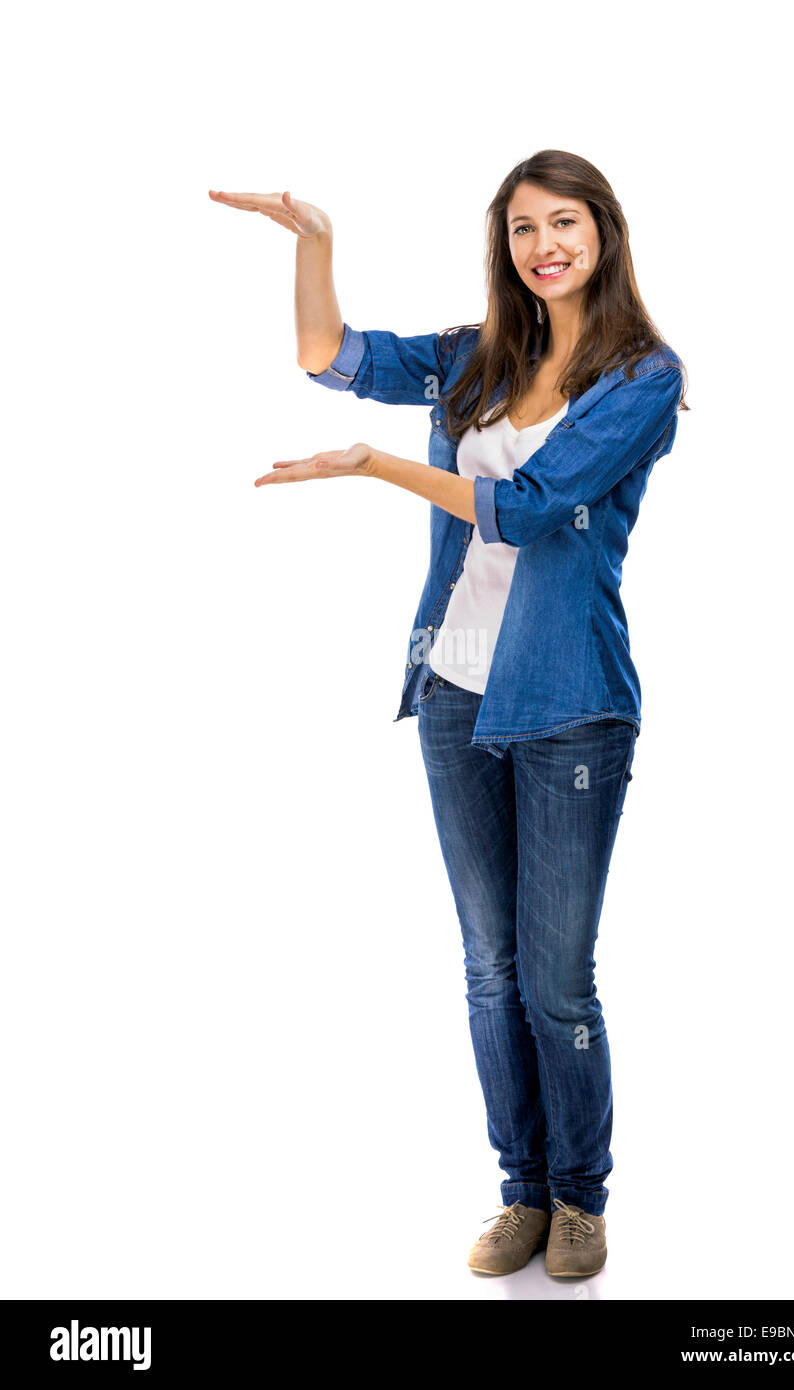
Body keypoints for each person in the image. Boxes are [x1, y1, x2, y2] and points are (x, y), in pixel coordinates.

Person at [209, 149, 688, 1279]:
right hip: (451, 690)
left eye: (561, 222)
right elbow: (328, 359)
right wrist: (314, 240)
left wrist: (378, 466)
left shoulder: (640, 376)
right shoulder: (479, 357)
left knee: (554, 977)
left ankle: (580, 1198)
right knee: (486, 965)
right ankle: (518, 1191)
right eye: (521, 228)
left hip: (569, 701)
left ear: (602, 234)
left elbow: (522, 510)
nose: (542, 246)